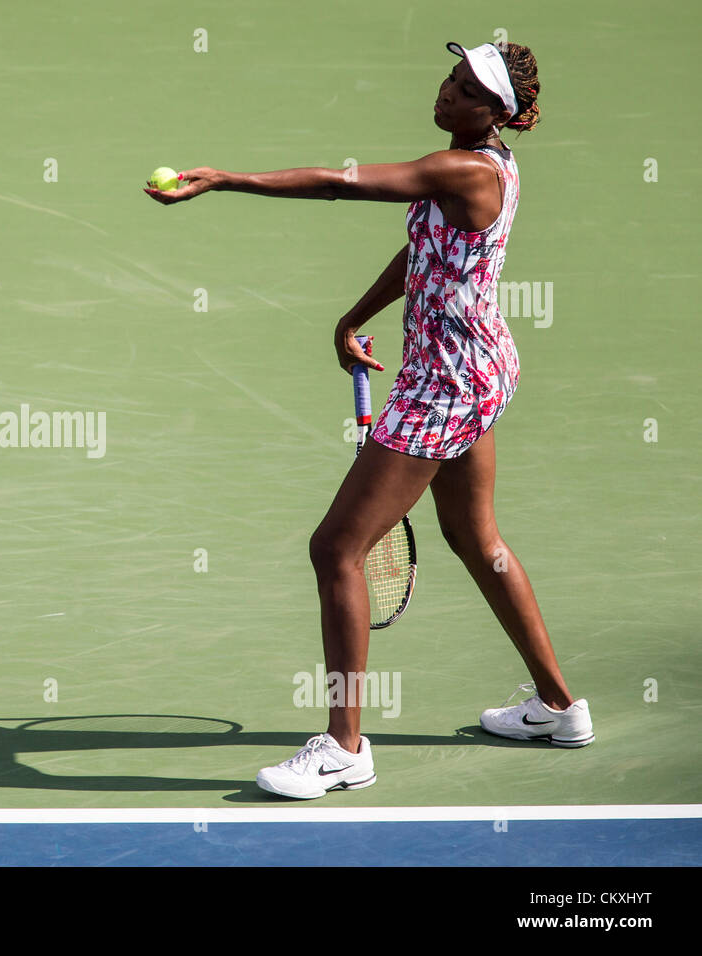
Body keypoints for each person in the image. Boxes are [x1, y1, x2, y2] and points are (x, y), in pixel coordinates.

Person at [144, 41, 593, 799]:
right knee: (474, 538)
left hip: (443, 387)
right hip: (481, 372)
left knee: (336, 549)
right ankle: (560, 708)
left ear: (496, 115)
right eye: (450, 79)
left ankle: (345, 747)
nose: (447, 94)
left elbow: (339, 183)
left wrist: (227, 178)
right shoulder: (481, 169)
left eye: (465, 91)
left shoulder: (461, 168)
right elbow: (424, 248)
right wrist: (355, 314)